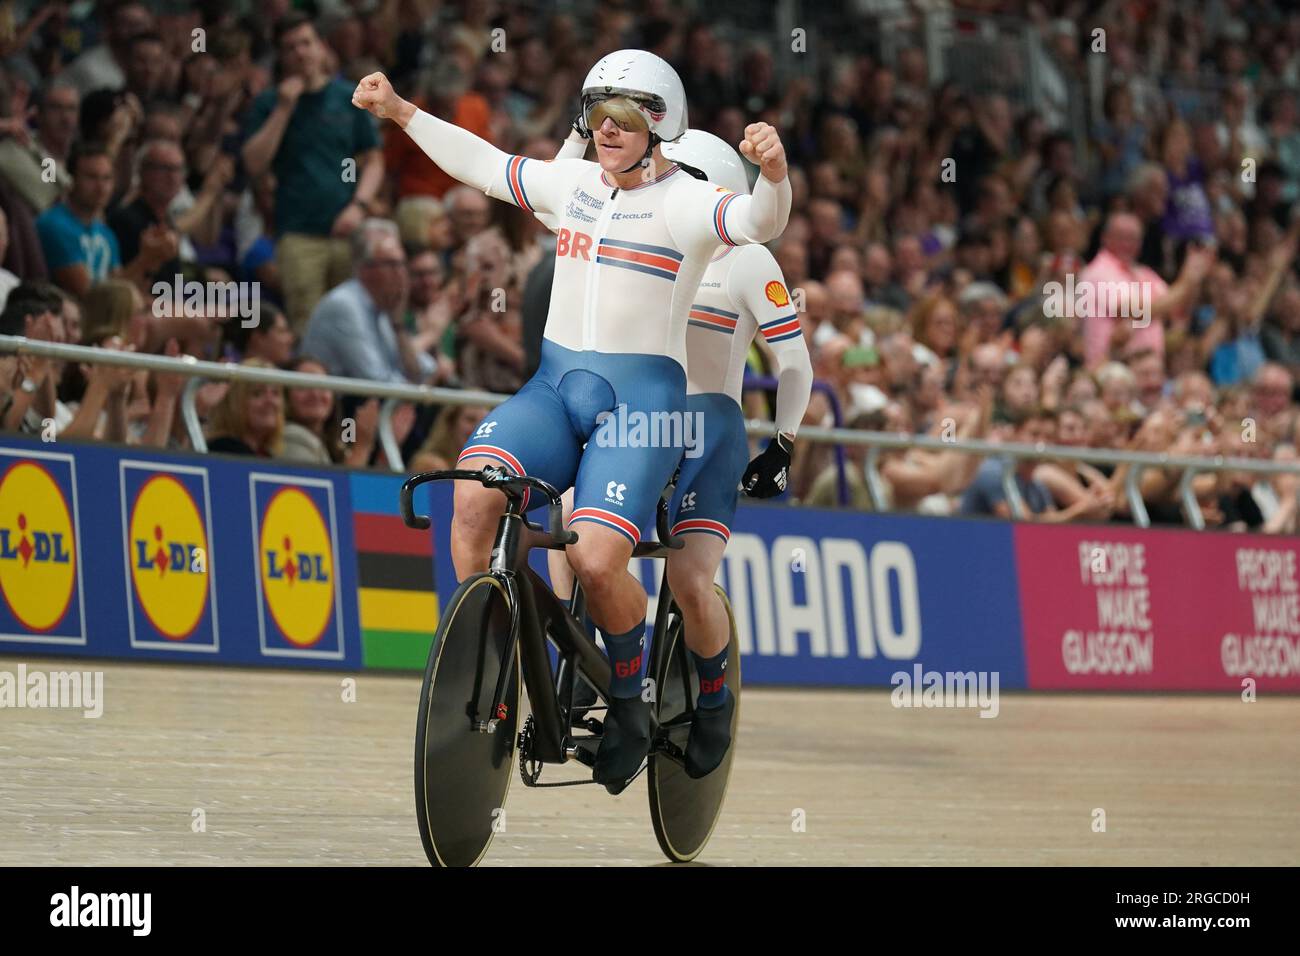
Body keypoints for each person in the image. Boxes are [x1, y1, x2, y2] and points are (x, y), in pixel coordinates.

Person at [352, 50, 790, 789]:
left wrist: (775, 175)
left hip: (643, 404)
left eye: (622, 118)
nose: (605, 131)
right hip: (555, 388)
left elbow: (756, 220)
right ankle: (486, 663)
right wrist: (401, 112)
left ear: (659, 127)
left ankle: (627, 693)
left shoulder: (686, 203)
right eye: (595, 115)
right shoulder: (573, 184)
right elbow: (483, 164)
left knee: (593, 560)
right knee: (472, 497)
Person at [542, 129, 812, 777]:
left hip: (706, 431)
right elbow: (556, 197)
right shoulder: (639, 237)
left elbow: (794, 360)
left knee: (690, 582)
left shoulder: (746, 259)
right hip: (640, 420)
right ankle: (583, 658)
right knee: (577, 527)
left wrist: (783, 442)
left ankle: (713, 700)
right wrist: (580, 137)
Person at [242, 12, 383, 330]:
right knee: (307, 324)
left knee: (354, 324)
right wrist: (284, 108)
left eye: (305, 43)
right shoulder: (268, 103)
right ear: (281, 56)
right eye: (290, 48)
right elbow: (253, 163)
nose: (300, 53)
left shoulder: (350, 98)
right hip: (297, 233)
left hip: (347, 230)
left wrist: (358, 206)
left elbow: (374, 159)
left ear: (321, 46)